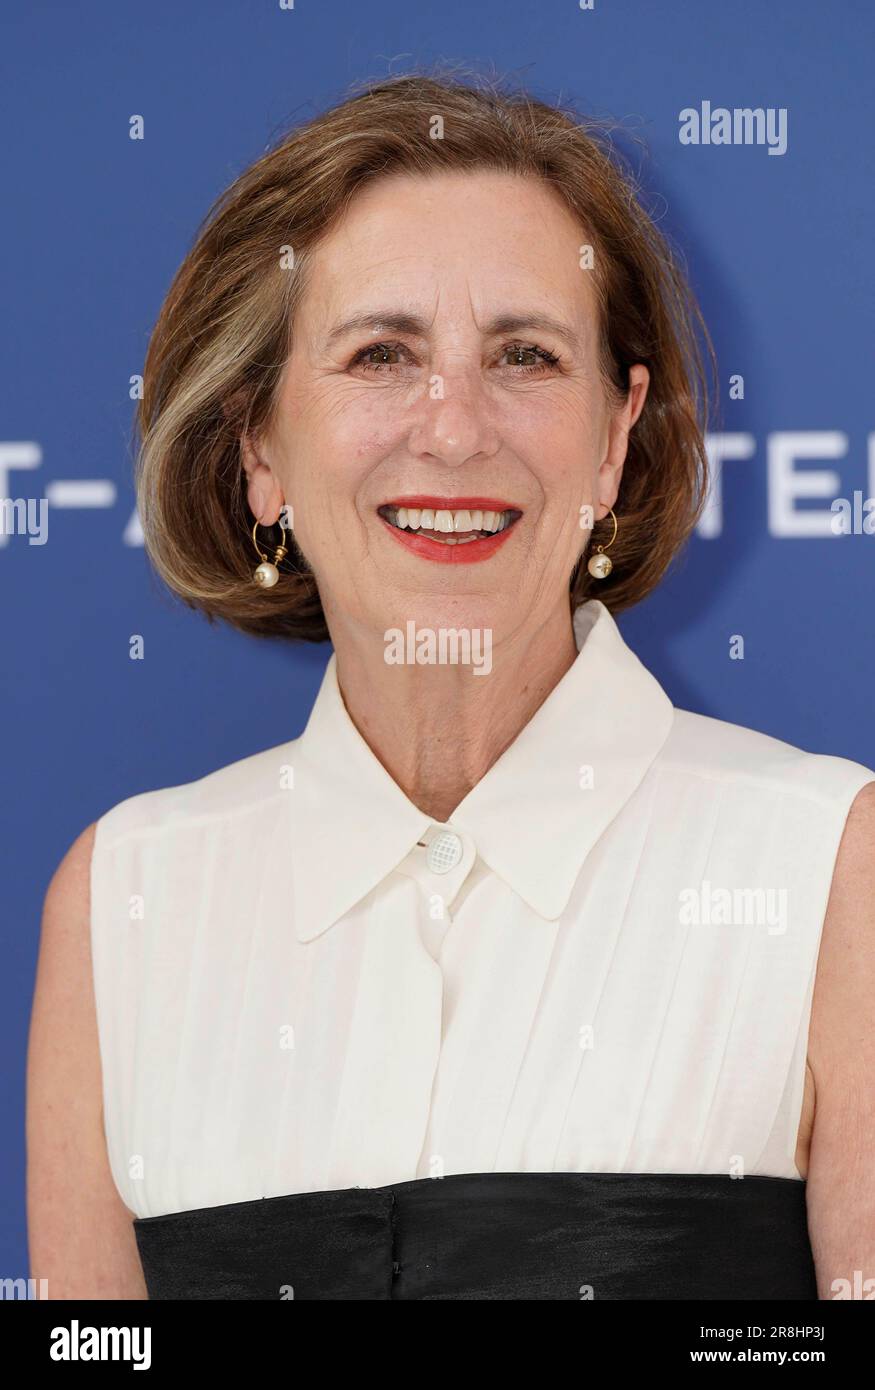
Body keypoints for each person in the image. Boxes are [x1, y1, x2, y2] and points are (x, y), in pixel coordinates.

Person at [27, 71, 875, 1300]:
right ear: (259, 444)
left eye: (524, 355)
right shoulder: (124, 899)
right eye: (381, 353)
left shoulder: (829, 874)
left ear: (612, 436)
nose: (454, 427)